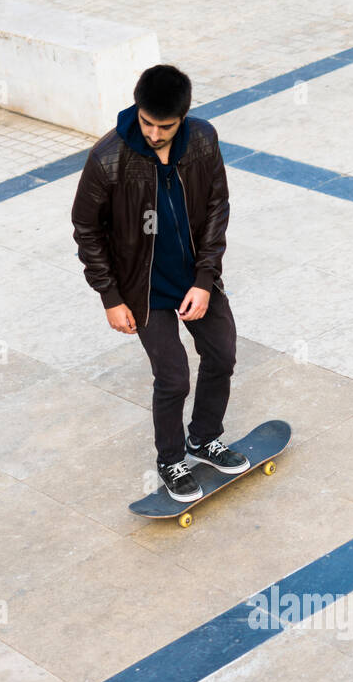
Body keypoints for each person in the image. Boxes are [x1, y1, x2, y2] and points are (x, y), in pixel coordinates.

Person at [71, 63, 248, 502]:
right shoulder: (108, 157)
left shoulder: (203, 140)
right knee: (173, 379)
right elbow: (86, 229)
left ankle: (203, 437)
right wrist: (110, 297)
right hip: (143, 288)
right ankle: (171, 460)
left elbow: (215, 209)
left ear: (183, 118)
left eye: (163, 126)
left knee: (222, 355)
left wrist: (205, 279)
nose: (152, 133)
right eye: (147, 122)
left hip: (195, 279)